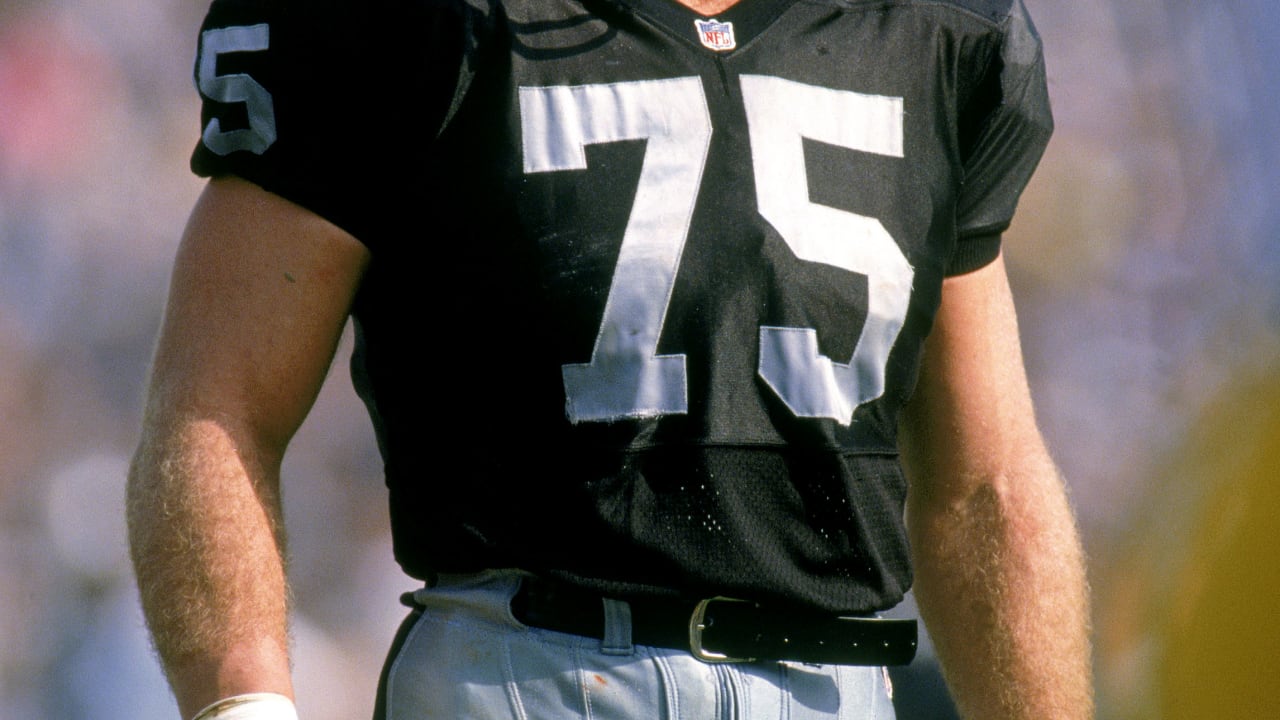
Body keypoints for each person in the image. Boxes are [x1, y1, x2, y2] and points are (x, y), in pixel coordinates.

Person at [126, 0, 1092, 717]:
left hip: (833, 686)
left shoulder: (934, 31)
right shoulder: (409, 20)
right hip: (528, 673)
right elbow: (218, 399)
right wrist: (243, 704)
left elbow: (986, 485)